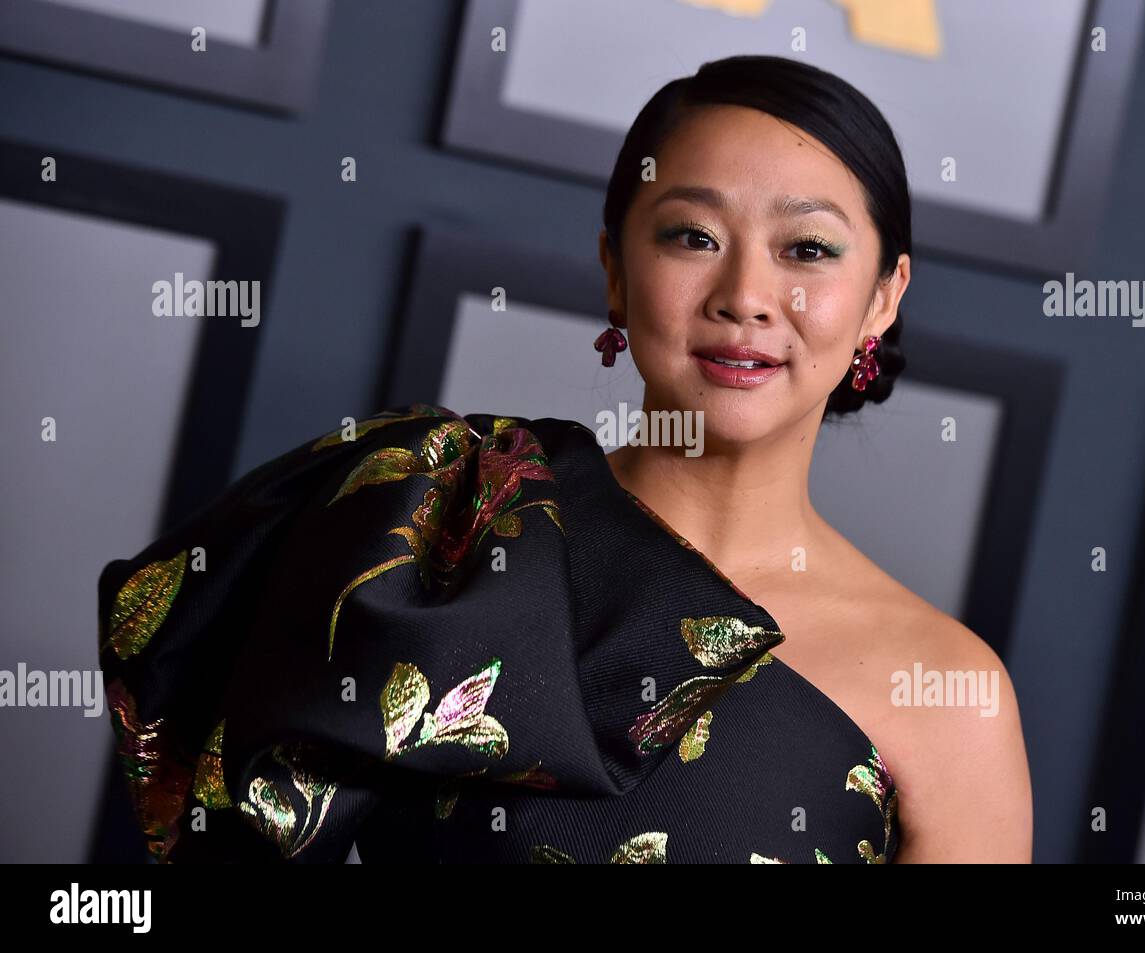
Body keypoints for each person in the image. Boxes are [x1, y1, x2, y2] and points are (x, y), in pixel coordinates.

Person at [97, 54, 1031, 864]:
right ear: (616, 270)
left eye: (809, 249)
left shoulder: (952, 693)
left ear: (882, 297)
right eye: (693, 236)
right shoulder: (442, 521)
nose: (746, 294)